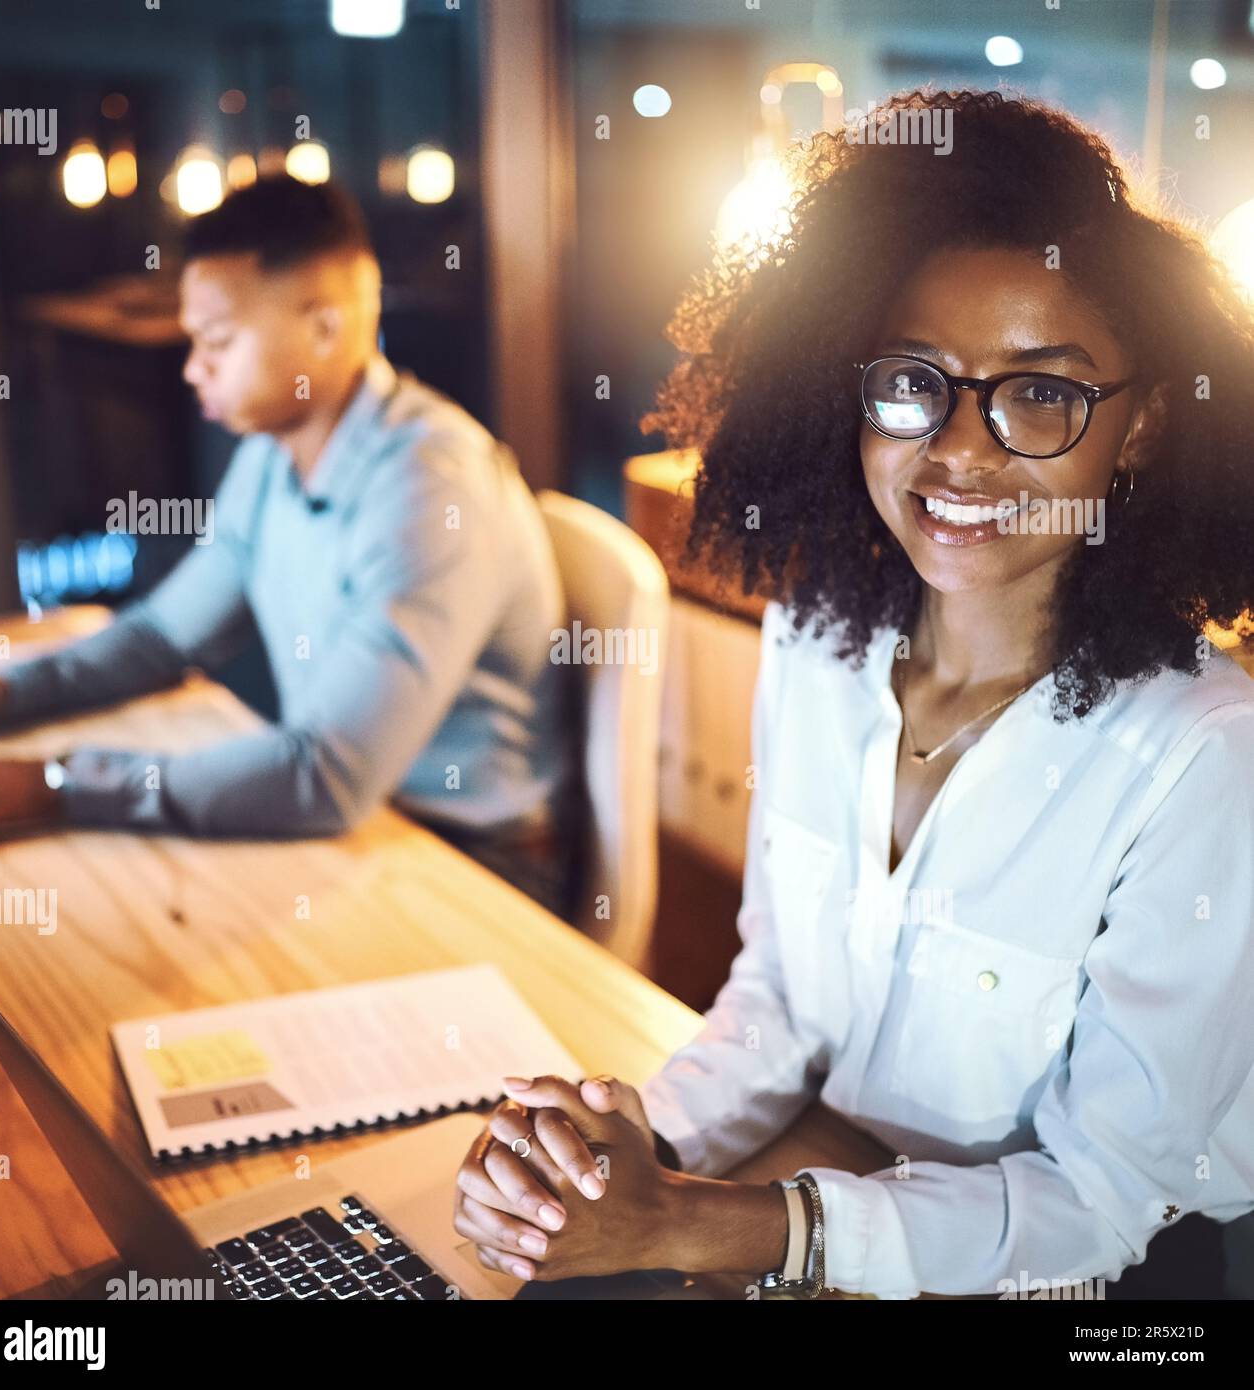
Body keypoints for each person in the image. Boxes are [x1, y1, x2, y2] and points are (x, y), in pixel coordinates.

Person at [451, 90, 1254, 1298]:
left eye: (1040, 392)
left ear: (1135, 429)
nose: (960, 449)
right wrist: (619, 1157)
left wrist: (697, 1223)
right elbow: (781, 999)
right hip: (842, 1181)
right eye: (911, 381)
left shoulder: (1204, 759)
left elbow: (1099, 1198)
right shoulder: (816, 643)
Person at [0, 176, 577, 918]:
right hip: (355, 828)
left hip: (474, 865)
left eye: (216, 341)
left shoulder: (430, 488)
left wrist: (58, 785)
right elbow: (161, 637)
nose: (192, 368)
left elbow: (327, 776)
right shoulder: (274, 454)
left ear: (324, 328)